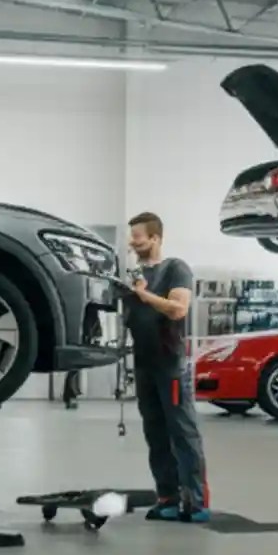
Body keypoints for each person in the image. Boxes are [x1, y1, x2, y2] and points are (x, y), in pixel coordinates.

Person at [121, 212, 210, 523]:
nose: (132, 242)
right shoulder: (133, 276)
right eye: (131, 236)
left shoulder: (175, 269)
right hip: (143, 365)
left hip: (170, 365)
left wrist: (143, 294)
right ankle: (167, 499)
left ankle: (196, 502)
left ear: (155, 238)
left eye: (137, 236)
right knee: (155, 434)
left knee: (183, 433)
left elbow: (178, 309)